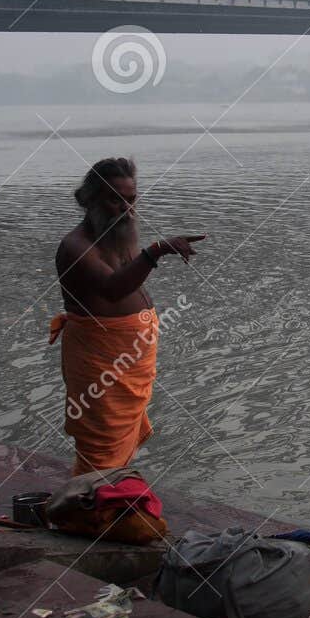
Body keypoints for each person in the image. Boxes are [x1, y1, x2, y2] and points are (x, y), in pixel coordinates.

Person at [51, 157, 203, 474]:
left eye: (131, 200)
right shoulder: (74, 246)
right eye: (114, 199)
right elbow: (113, 288)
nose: (126, 208)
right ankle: (89, 509)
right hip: (100, 360)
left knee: (120, 445)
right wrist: (156, 250)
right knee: (100, 443)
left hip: (132, 357)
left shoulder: (123, 234)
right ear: (90, 198)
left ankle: (108, 502)